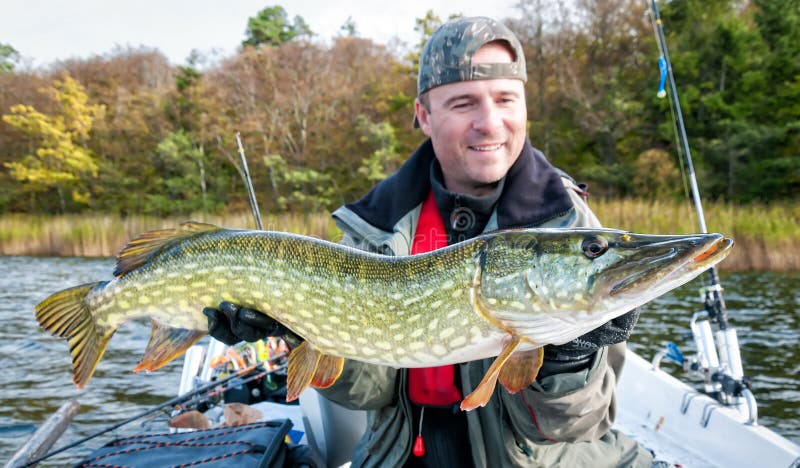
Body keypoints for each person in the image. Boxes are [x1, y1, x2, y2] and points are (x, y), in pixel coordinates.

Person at [205, 16, 654, 467]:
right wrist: (297, 327)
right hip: (402, 452)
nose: (489, 123)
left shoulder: (569, 225)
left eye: (505, 99)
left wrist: (568, 360)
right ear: (424, 115)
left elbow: (575, 426)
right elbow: (368, 392)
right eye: (464, 103)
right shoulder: (376, 228)